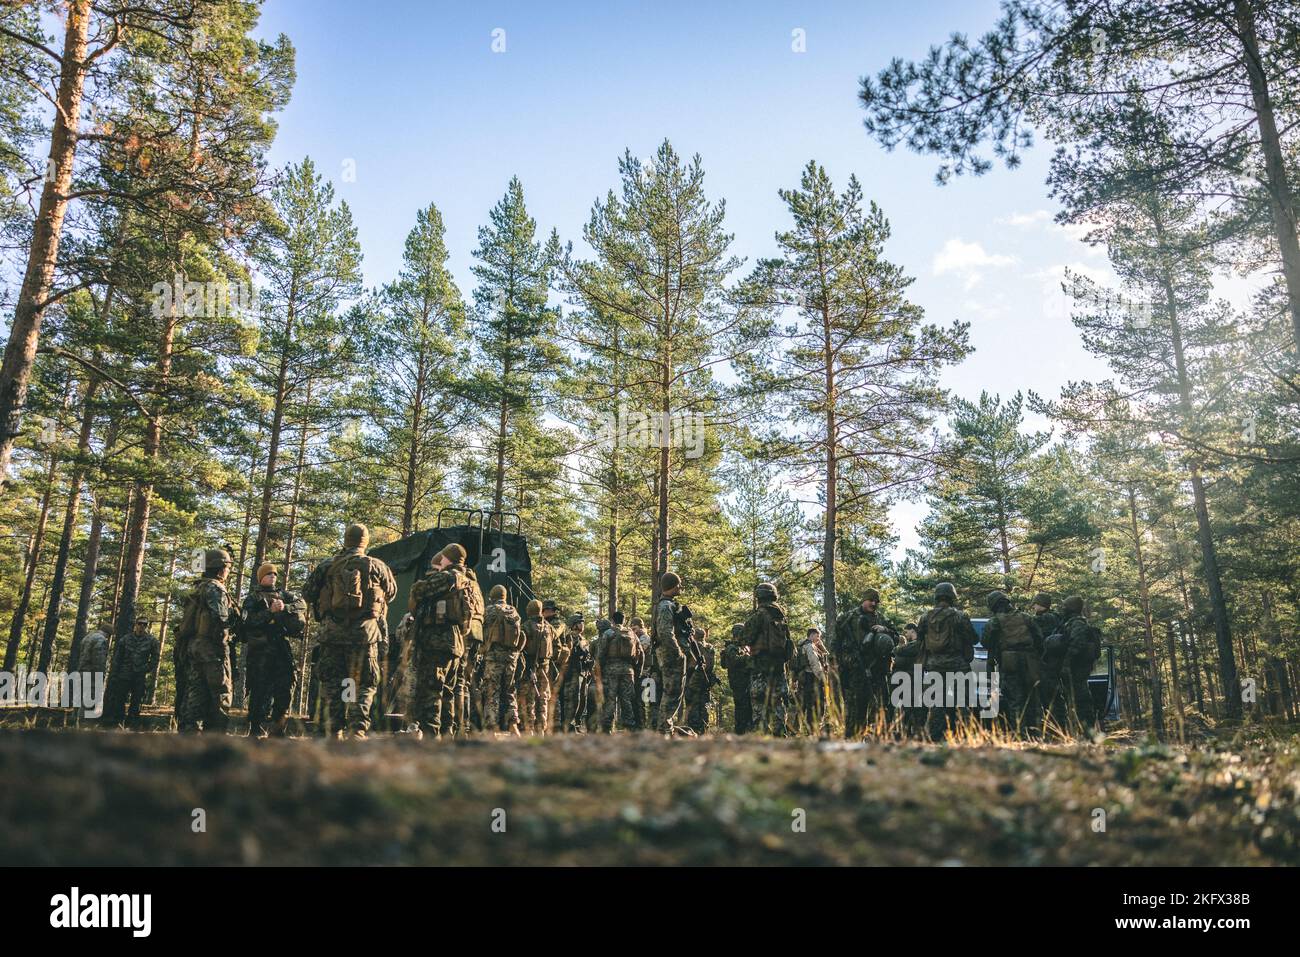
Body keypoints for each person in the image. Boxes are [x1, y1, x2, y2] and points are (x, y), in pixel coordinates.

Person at [303, 524, 397, 739]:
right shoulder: (378, 566)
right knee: (363, 683)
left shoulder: (328, 565)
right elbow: (391, 593)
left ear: (346, 540)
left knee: (333, 681)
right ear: (365, 542)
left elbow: (308, 593)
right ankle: (356, 730)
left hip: (332, 635)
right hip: (364, 636)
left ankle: (331, 729)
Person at [404, 542, 474, 740]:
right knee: (448, 692)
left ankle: (431, 735)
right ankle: (446, 732)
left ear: (447, 558)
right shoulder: (467, 580)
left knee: (432, 690)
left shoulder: (448, 576)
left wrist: (421, 583)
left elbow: (419, 591)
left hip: (438, 640)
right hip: (455, 642)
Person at [177, 549, 240, 733]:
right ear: (220, 569)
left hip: (194, 648)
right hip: (212, 650)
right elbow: (221, 620)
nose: (228, 571)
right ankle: (214, 741)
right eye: (227, 567)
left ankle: (188, 737)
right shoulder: (216, 589)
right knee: (220, 695)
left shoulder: (198, 587)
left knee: (195, 694)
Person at [240, 563, 307, 738]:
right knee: (259, 688)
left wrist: (286, 607)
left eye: (275, 574)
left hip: (281, 648)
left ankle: (278, 728)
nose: (272, 576)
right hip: (261, 650)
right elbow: (247, 621)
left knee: (285, 687)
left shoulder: (284, 595)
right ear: (260, 577)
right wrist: (269, 612)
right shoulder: (252, 598)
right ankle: (255, 728)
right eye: (268, 574)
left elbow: (302, 604)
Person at [916, 582, 978, 742]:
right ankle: (964, 737)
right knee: (962, 702)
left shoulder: (925, 617)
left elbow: (920, 638)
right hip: (958, 665)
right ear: (952, 596)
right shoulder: (959, 616)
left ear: (936, 596)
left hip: (935, 665)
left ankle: (936, 738)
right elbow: (972, 638)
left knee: (937, 704)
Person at [833, 588, 895, 736]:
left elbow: (895, 639)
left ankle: (879, 741)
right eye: (870, 600)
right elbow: (836, 643)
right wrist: (837, 664)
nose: (873, 604)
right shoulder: (847, 618)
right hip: (854, 671)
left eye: (876, 601)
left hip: (878, 671)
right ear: (863, 600)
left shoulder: (882, 619)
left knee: (881, 707)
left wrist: (884, 629)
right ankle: (853, 740)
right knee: (855, 709)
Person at [981, 590, 1043, 736]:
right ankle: (1037, 734)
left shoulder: (995, 621)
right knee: (1033, 699)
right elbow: (1039, 639)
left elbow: (986, 642)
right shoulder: (1026, 617)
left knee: (1015, 700)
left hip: (1009, 663)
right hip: (1030, 662)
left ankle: (1020, 735)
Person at [742, 581, 793, 736]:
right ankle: (780, 733)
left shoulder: (759, 615)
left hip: (761, 664)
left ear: (759, 597)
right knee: (778, 702)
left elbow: (746, 637)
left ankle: (761, 734)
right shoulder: (781, 616)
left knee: (759, 700)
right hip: (778, 665)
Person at [480, 585, 525, 734]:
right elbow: (522, 637)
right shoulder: (514, 612)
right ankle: (513, 725)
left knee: (492, 691)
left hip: (493, 658)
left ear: (492, 596)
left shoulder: (489, 611)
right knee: (510, 691)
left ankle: (491, 727)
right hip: (511, 658)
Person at [652, 572, 690, 734]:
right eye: (679, 584)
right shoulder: (666, 606)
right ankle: (665, 728)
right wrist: (678, 653)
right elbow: (665, 632)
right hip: (671, 655)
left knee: (670, 691)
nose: (680, 587)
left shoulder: (668, 605)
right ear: (672, 586)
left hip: (668, 653)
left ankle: (665, 726)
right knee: (673, 691)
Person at [108, 617, 160, 728]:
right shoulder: (125, 639)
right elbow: (118, 657)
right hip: (124, 674)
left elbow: (155, 658)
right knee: (120, 699)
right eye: (140, 623)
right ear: (135, 624)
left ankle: (132, 723)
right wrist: (114, 673)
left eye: (144, 624)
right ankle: (118, 722)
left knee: (136, 700)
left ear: (147, 626)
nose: (142, 626)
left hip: (139, 675)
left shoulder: (152, 640)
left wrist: (146, 668)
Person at [1060, 595, 1100, 735]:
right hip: (1076, 667)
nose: (1062, 609)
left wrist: (1066, 663)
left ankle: (1087, 731)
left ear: (1070, 608)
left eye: (1065, 606)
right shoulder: (1072, 622)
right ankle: (1080, 730)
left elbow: (1077, 644)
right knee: (1075, 698)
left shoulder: (1077, 623)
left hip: (1077, 667)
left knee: (1081, 700)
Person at [598, 611, 642, 732]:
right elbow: (640, 653)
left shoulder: (608, 633)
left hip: (611, 670)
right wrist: (637, 670)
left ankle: (607, 728)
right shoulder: (632, 634)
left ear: (612, 620)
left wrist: (599, 669)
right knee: (627, 699)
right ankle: (629, 726)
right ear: (624, 620)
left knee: (610, 699)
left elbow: (601, 653)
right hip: (628, 671)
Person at [520, 597, 556, 735]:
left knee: (529, 698)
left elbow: (520, 646)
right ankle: (541, 728)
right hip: (545, 667)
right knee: (543, 698)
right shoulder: (549, 627)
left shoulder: (526, 626)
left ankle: (528, 729)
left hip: (529, 666)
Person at [794, 626, 830, 734]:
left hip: (804, 678)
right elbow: (814, 663)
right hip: (812, 678)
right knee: (814, 704)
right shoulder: (809, 646)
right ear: (812, 635)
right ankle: (812, 730)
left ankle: (796, 728)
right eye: (817, 636)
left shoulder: (804, 645)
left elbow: (825, 653)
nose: (818, 638)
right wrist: (823, 678)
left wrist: (819, 645)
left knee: (803, 704)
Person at [720, 623, 753, 734]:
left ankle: (746, 731)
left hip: (745, 681)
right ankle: (739, 732)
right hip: (738, 682)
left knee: (748, 707)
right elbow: (734, 661)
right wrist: (747, 657)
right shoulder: (731, 648)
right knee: (741, 708)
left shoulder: (742, 647)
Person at [683, 625, 716, 734]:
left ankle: (694, 729)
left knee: (693, 704)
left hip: (693, 679)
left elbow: (689, 664)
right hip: (706, 680)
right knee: (704, 705)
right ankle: (704, 728)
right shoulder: (710, 648)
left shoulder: (694, 646)